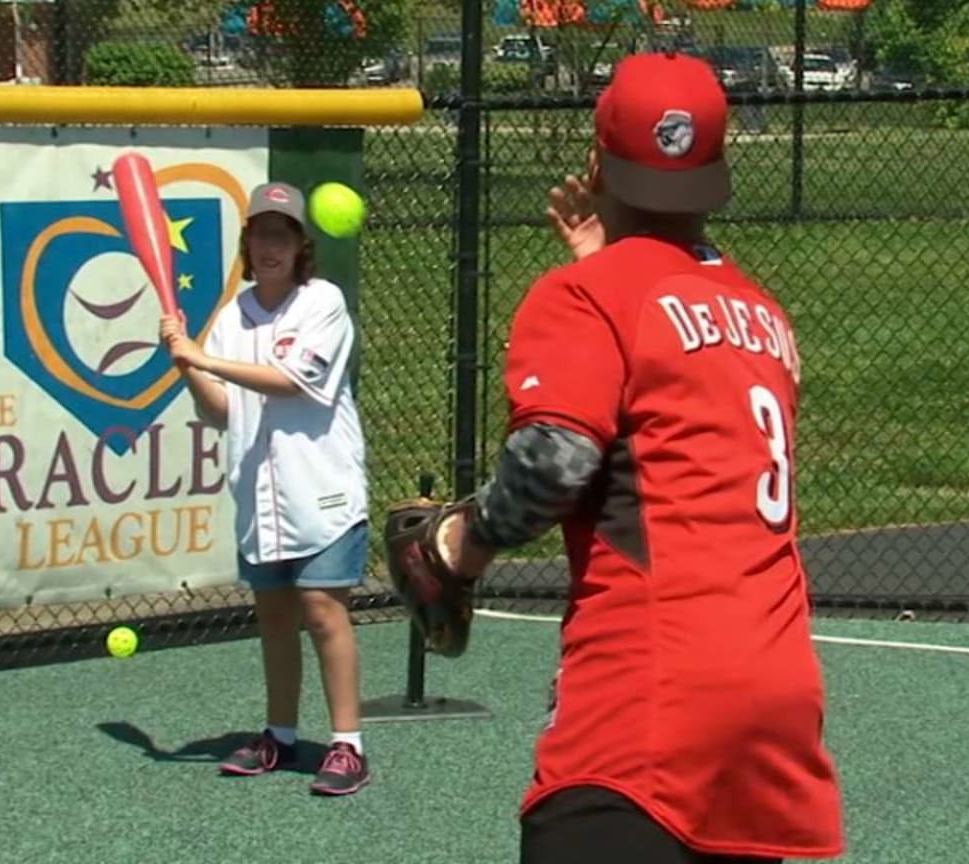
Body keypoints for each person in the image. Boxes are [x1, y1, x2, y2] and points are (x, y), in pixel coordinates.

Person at [429, 53, 846, 861]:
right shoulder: (761, 313)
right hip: (776, 697)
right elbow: (670, 367)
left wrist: (462, 544)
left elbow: (553, 464)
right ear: (715, 174)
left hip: (649, 694)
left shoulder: (585, 296)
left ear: (598, 162)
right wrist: (608, 255)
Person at [159, 181, 371, 797]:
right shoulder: (233, 315)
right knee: (275, 619)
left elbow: (291, 381)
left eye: (282, 234)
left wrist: (203, 357)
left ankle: (348, 746)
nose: (270, 246)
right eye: (260, 234)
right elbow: (222, 410)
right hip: (259, 496)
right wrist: (188, 367)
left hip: (322, 489)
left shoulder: (323, 303)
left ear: (301, 245)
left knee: (322, 611)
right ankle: (280, 736)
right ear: (247, 243)